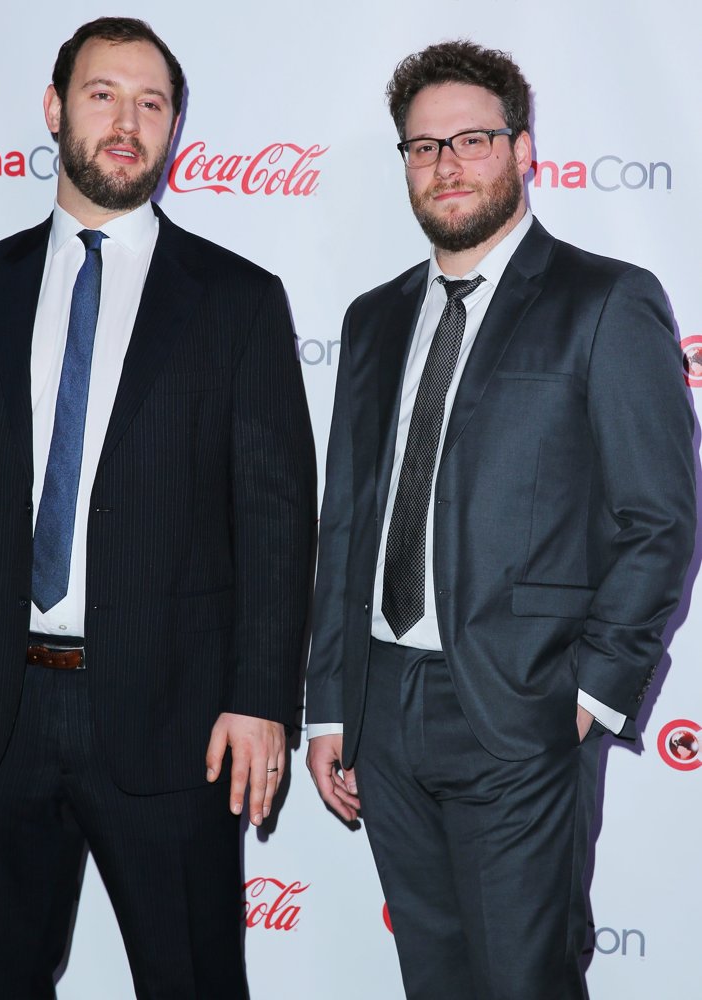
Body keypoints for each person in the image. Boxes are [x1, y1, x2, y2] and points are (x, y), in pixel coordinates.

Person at [306, 39, 695, 999]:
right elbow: (346, 523)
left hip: (521, 710)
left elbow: (661, 518)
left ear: (523, 149)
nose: (446, 165)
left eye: (471, 139)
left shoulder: (604, 300)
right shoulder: (371, 317)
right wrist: (327, 701)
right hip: (381, 708)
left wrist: (588, 694)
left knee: (524, 982)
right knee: (433, 980)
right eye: (422, 146)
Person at [0, 17, 315, 999]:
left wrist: (263, 698)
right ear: (55, 107)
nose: (128, 121)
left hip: (176, 717)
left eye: (153, 103)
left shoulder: (239, 300)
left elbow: (276, 514)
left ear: (174, 129)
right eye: (105, 94)